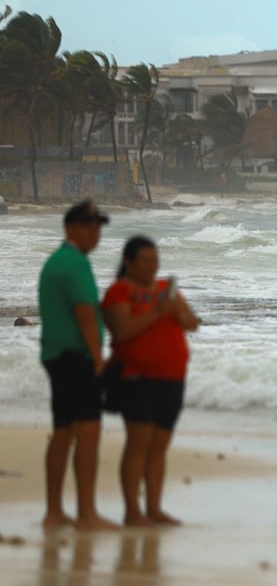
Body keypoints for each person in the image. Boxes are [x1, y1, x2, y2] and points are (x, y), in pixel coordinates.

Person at [100, 235, 199, 527]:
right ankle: (133, 512)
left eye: (155, 260)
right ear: (128, 262)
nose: (151, 266)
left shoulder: (165, 291)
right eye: (145, 260)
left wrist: (177, 311)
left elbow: (192, 323)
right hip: (135, 377)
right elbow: (122, 330)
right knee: (138, 442)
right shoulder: (119, 292)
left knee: (159, 445)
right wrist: (158, 312)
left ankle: (153, 509)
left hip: (173, 376)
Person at [37, 199, 119, 531]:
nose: (95, 233)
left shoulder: (56, 262)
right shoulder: (73, 264)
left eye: (98, 226)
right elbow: (86, 313)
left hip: (57, 355)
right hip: (76, 359)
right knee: (87, 432)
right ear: (71, 228)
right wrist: (99, 360)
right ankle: (87, 514)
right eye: (89, 226)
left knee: (63, 432)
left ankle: (54, 512)